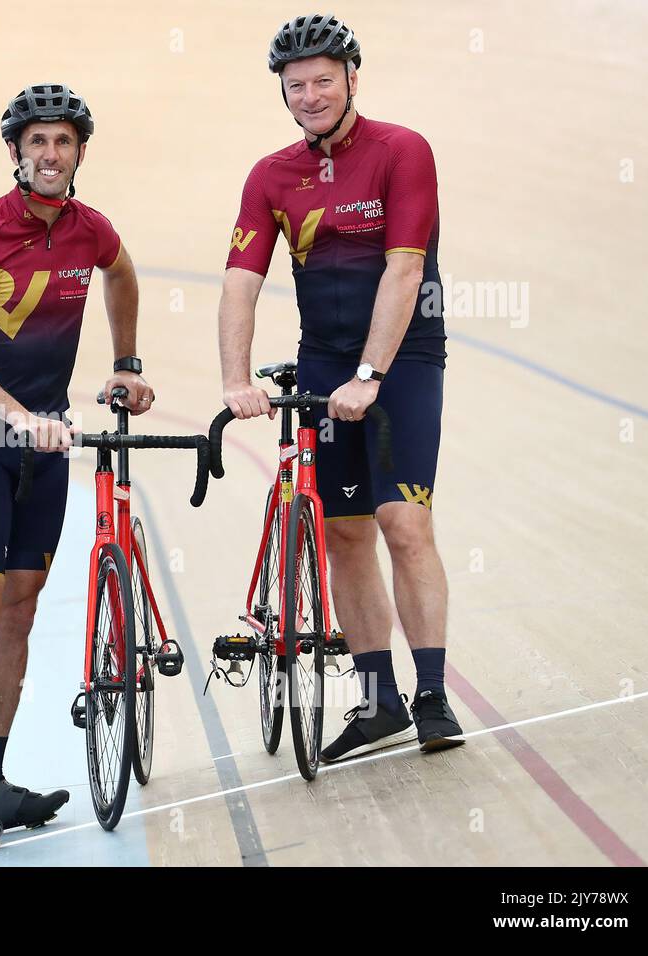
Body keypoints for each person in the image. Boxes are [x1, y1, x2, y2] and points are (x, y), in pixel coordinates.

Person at [217, 15, 465, 762]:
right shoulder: (271, 176)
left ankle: (430, 697)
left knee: (404, 523)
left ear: (353, 77)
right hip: (323, 364)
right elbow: (239, 282)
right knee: (343, 529)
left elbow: (404, 268)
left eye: (324, 80)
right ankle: (378, 699)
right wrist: (235, 379)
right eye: (297, 86)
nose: (312, 95)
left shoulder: (401, 150)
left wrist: (370, 374)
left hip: (403, 359)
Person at [0, 83, 154, 849]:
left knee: (22, 612)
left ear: (79, 152)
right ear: (16, 154)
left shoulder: (90, 231)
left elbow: (123, 274)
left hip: (47, 443)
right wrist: (20, 418)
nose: (51, 155)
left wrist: (125, 361)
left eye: (63, 142)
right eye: (38, 143)